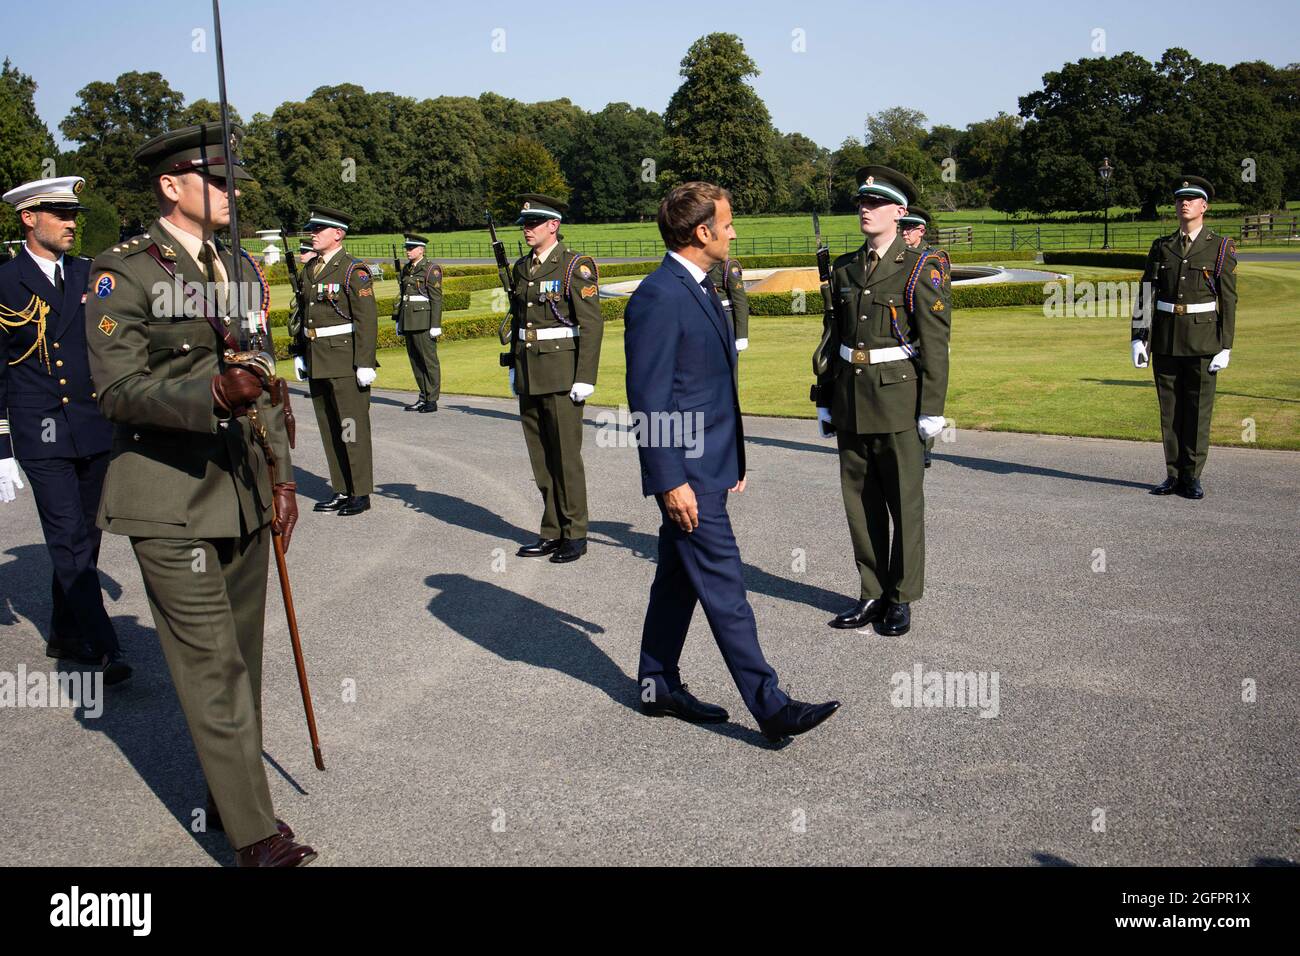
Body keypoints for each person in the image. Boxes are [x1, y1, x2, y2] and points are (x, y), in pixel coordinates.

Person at [84, 123, 316, 867]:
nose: (233, 191)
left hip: (242, 489)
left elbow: (268, 378)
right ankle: (255, 837)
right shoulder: (124, 272)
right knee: (213, 665)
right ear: (171, 186)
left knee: (242, 660)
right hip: (168, 495)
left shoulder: (240, 264)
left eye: (233, 178)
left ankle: (229, 793)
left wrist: (281, 475)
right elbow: (117, 390)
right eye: (216, 179)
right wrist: (209, 389)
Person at [625, 181, 840, 744]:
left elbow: (708, 386)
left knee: (677, 579)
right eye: (728, 221)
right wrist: (671, 481)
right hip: (687, 471)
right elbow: (649, 400)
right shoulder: (660, 294)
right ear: (703, 232)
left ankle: (657, 683)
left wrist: (732, 457)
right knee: (725, 587)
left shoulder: (700, 285)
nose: (734, 230)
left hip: (709, 462)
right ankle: (771, 706)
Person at [0, 175, 127, 683]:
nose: (73, 222)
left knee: (87, 537)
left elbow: (114, 343)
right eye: (60, 214)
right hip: (39, 429)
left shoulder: (90, 275)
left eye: (73, 214)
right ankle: (104, 645)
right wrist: (2, 445)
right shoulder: (5, 284)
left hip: (93, 427)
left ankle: (64, 633)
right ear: (29, 218)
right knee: (68, 537)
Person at [815, 167, 951, 637]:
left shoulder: (920, 267)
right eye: (861, 202)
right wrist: (824, 396)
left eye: (875, 203)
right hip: (852, 399)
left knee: (904, 504)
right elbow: (833, 339)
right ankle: (871, 591)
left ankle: (901, 596)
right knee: (861, 503)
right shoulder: (845, 268)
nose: (865, 209)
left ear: (900, 212)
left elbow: (935, 343)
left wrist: (932, 407)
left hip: (899, 400)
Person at [504, 194, 603, 564]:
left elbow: (592, 325)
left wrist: (585, 377)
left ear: (553, 225)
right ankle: (552, 530)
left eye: (533, 223)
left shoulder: (575, 267)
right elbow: (520, 321)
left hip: (563, 378)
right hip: (530, 373)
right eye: (524, 224)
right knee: (541, 459)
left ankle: (575, 532)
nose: (527, 229)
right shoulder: (521, 268)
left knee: (565, 458)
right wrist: (514, 363)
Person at [1131, 176, 1236, 500]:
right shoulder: (1162, 246)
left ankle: (1192, 476)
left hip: (1204, 340)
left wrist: (1227, 345)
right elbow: (1147, 291)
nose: (1184, 203)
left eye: (1191, 199)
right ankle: (1173, 474)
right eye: (1179, 199)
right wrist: (1138, 336)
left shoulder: (1219, 246)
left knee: (1198, 411)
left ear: (1204, 206)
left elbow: (1228, 299)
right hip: (1165, 338)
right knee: (1170, 411)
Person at [295, 206, 378, 516]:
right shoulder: (310, 268)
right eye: (312, 229)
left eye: (319, 230)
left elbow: (366, 320)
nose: (313, 234)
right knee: (329, 427)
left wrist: (365, 362)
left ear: (338, 234)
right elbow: (302, 314)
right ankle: (341, 489)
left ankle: (360, 491)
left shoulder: (352, 270)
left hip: (345, 360)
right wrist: (300, 352)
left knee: (350, 426)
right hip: (317, 357)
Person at [899, 205, 937, 469]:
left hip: (924, 340)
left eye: (908, 228)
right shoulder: (897, 257)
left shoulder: (930, 260)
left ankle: (925, 447)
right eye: (901, 227)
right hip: (901, 340)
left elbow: (936, 305)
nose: (903, 233)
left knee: (924, 393)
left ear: (921, 231)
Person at [393, 233, 442, 413]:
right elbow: (403, 297)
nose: (408, 251)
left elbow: (436, 299)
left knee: (429, 362)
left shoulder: (430, 269)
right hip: (408, 321)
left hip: (423, 322)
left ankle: (432, 399)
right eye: (406, 248)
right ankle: (423, 397)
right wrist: (399, 320)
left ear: (421, 250)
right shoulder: (407, 269)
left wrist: (435, 324)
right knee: (415, 362)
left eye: (411, 248)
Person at [706, 255, 749, 352]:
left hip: (725, 321)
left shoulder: (728, 266)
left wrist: (741, 336)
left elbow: (740, 301)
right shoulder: (695, 264)